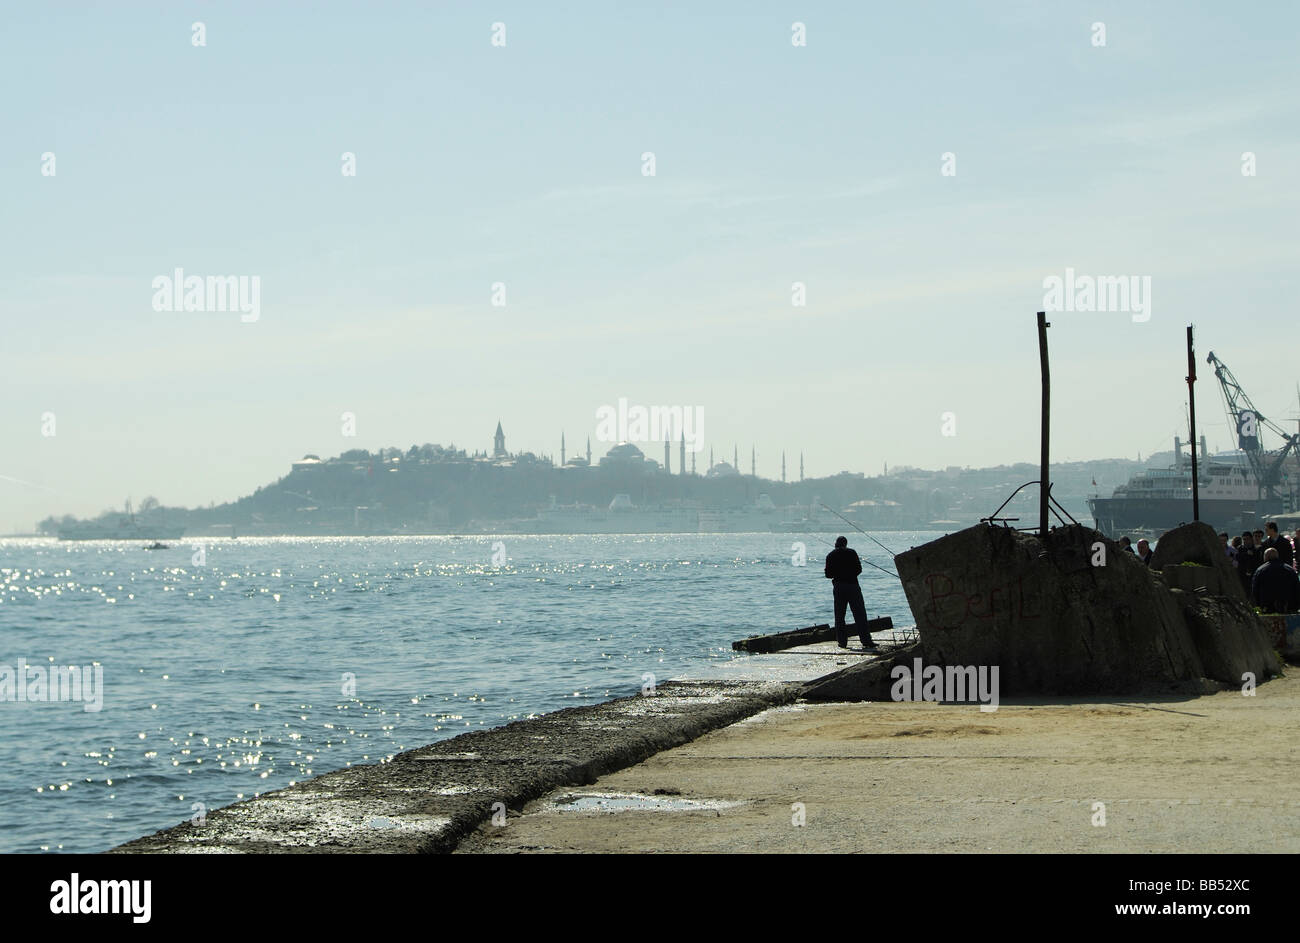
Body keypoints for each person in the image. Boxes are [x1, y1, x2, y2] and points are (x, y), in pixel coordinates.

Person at [824, 536, 877, 651]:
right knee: (860, 614)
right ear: (846, 543)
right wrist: (850, 574)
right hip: (853, 585)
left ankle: (842, 642)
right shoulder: (852, 552)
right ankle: (866, 641)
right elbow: (859, 569)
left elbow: (828, 574)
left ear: (836, 544)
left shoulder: (830, 555)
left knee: (839, 616)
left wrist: (838, 574)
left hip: (839, 587)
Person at [1251, 547, 1300, 614]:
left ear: (1266, 557)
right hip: (1287, 606)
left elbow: (1255, 590)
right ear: (1277, 556)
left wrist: (1258, 607)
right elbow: (1297, 588)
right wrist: (1296, 607)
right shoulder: (1289, 570)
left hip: (1267, 607)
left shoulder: (1260, 570)